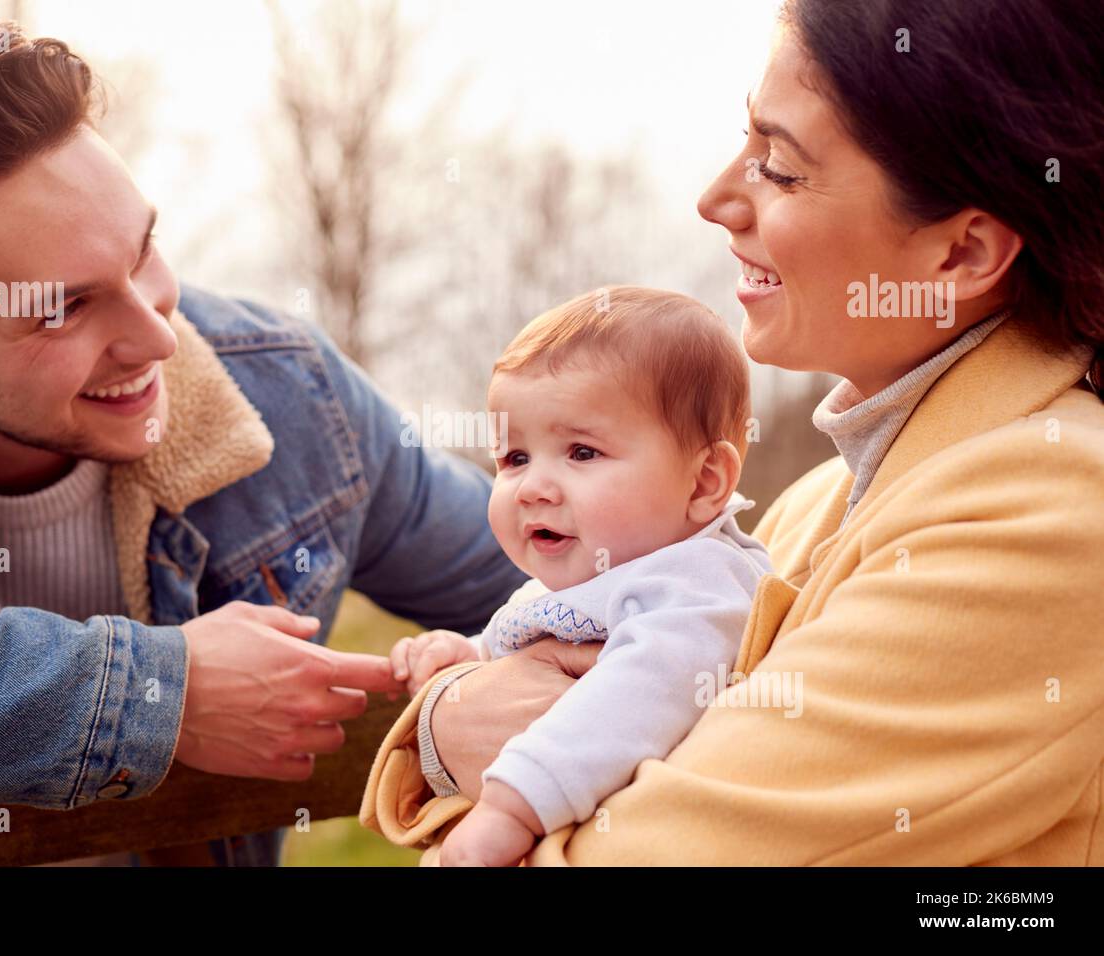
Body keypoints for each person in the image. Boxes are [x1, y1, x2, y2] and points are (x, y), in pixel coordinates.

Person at [360, 0, 1104, 865]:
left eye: (779, 169)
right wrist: (453, 713)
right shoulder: (813, 504)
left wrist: (457, 746)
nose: (715, 199)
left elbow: (652, 855)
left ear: (962, 255)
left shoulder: (1044, 517)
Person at [0, 8, 526, 866]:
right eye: (61, 309)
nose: (157, 339)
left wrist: (493, 683)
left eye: (144, 251)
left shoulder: (295, 395)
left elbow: (592, 578)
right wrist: (155, 692)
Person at [374, 287, 773, 866]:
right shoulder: (570, 584)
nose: (533, 486)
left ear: (705, 481)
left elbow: (635, 697)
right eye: (513, 458)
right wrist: (460, 657)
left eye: (582, 452)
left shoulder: (697, 583)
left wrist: (512, 807)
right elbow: (514, 655)